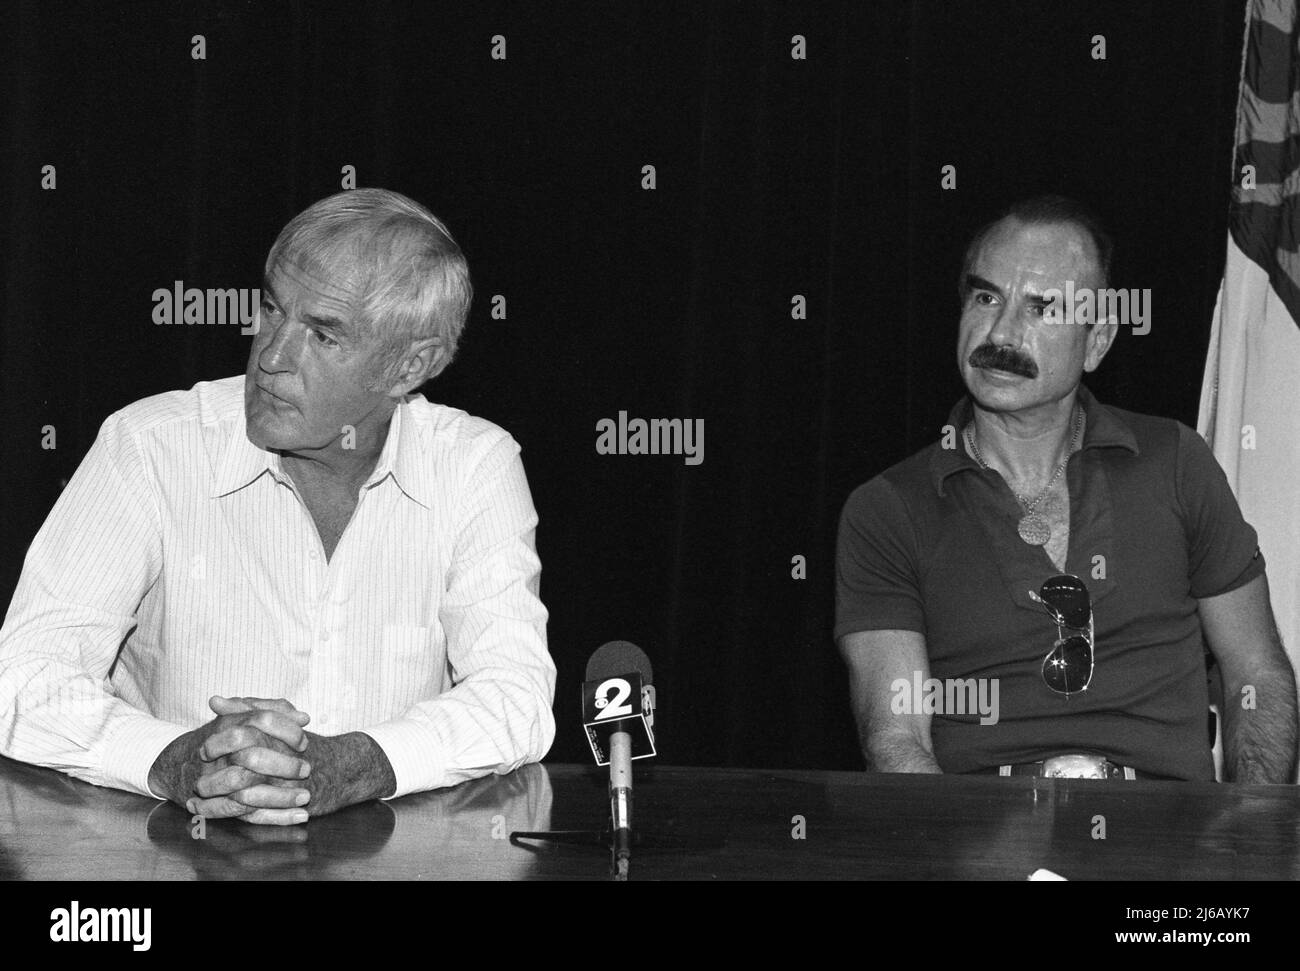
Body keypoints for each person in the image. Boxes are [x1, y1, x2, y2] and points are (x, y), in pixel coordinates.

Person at [0, 188, 556, 824]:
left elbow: (516, 698)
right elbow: (24, 677)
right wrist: (172, 760)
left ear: (411, 365)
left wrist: (361, 763)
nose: (270, 357)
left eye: (322, 334)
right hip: (173, 858)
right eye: (272, 310)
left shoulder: (474, 466)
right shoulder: (152, 446)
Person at [835, 195, 1297, 783]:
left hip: (1165, 844)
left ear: (1097, 340)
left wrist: (1248, 839)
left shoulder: (1176, 463)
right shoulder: (887, 510)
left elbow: (1257, 673)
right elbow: (896, 739)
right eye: (986, 297)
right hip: (981, 845)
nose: (1001, 332)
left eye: (1041, 308)